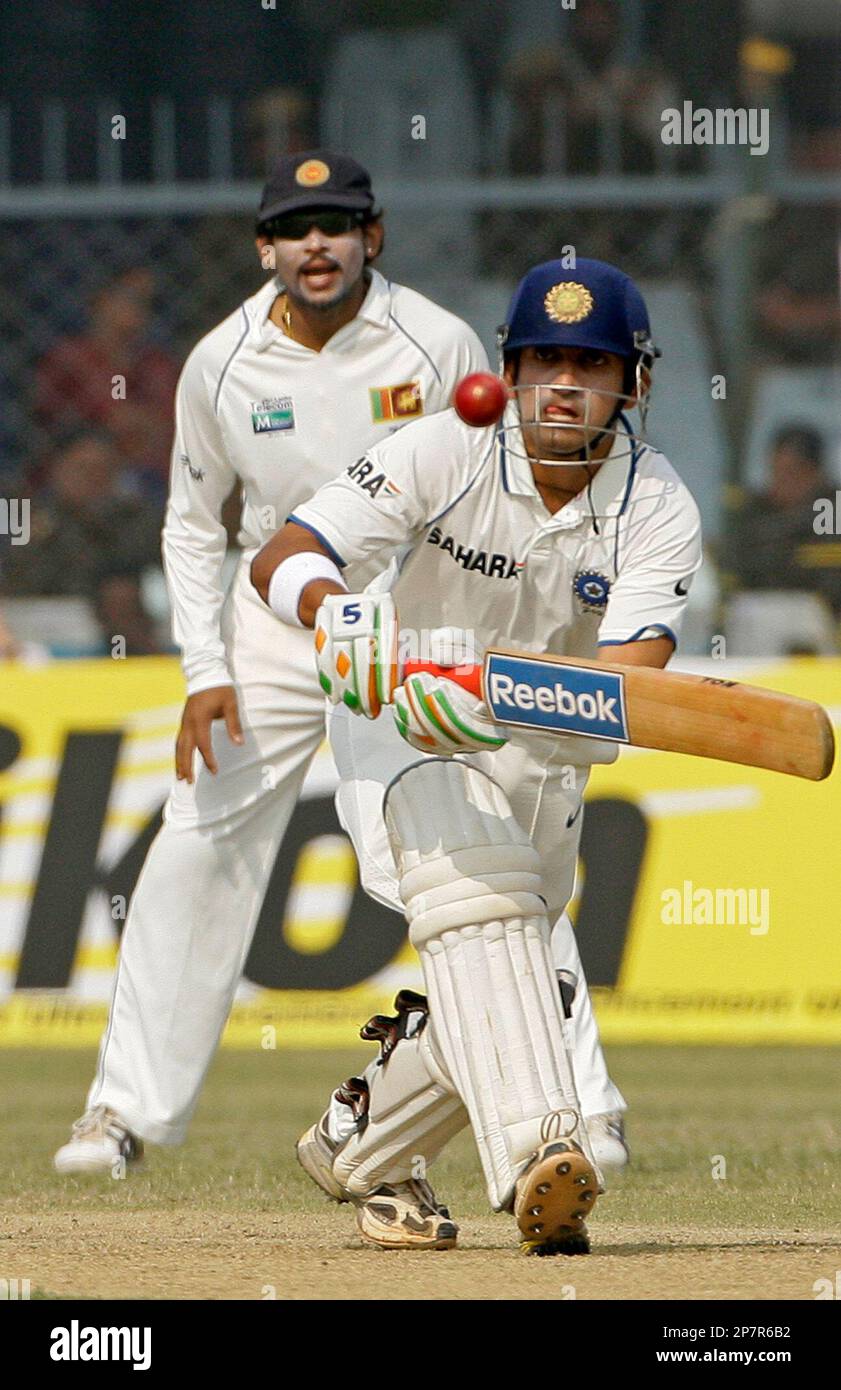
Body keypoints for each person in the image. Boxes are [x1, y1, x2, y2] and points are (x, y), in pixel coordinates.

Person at [52, 149, 490, 1183]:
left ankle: (569, 1106)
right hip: (271, 622)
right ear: (266, 249)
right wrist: (204, 670)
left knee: (456, 854)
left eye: (337, 224)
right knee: (198, 844)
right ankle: (120, 1115)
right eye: (295, 229)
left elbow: (477, 503)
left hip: (401, 619)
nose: (316, 245)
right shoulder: (222, 361)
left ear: (371, 236)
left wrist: (459, 637)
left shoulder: (436, 342)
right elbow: (195, 526)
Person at [252, 257, 703, 1253]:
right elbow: (284, 553)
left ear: (635, 383)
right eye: (541, 360)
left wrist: (497, 704)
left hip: (543, 762)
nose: (562, 385)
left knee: (511, 993)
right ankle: (544, 1163)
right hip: (398, 726)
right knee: (483, 904)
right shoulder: (447, 444)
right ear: (506, 371)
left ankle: (358, 1145)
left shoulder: (658, 506)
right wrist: (339, 616)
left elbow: (629, 675)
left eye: (589, 365)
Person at [0, 428, 162, 654]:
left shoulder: (135, 518)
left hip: (126, 628)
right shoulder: (34, 522)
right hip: (49, 625)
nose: (94, 479)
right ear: (57, 469)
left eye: (103, 470)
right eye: (83, 469)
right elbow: (18, 582)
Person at [34, 266, 181, 497]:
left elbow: (163, 425)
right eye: (131, 297)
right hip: (77, 464)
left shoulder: (155, 363)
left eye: (147, 302)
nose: (138, 309)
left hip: (145, 475)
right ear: (103, 299)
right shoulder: (71, 356)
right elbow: (114, 415)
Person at [727, 425, 841, 616]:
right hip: (761, 619)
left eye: (791, 473)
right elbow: (736, 568)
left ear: (815, 474)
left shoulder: (832, 513)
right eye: (775, 471)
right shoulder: (756, 512)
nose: (779, 482)